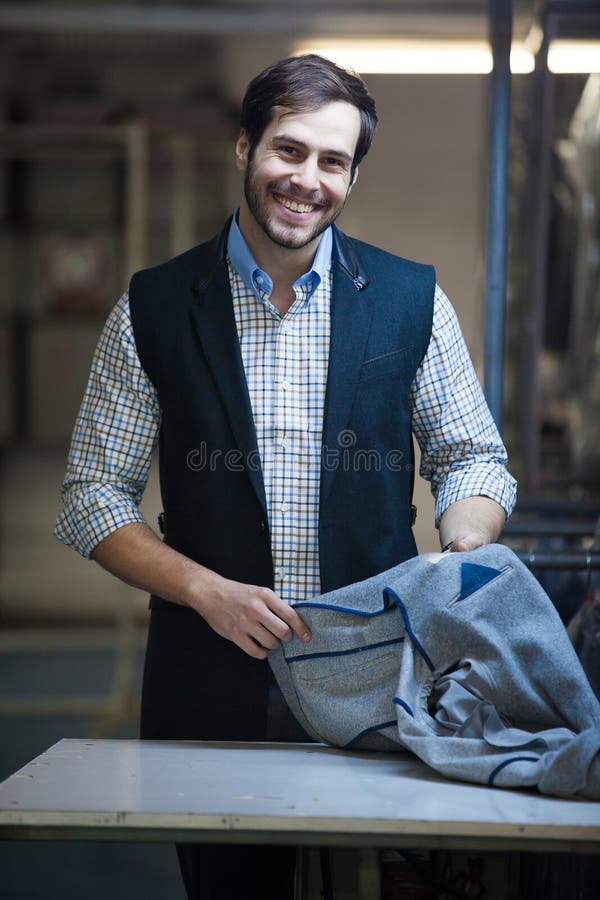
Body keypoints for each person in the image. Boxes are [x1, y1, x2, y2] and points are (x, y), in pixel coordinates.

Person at [56, 54, 516, 900]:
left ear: (351, 174)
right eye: (289, 150)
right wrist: (205, 591)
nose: (307, 180)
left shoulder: (411, 300)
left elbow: (472, 457)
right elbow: (91, 494)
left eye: (333, 161)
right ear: (244, 149)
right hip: (208, 686)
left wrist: (462, 541)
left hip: (378, 678)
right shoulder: (155, 307)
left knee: (374, 885)